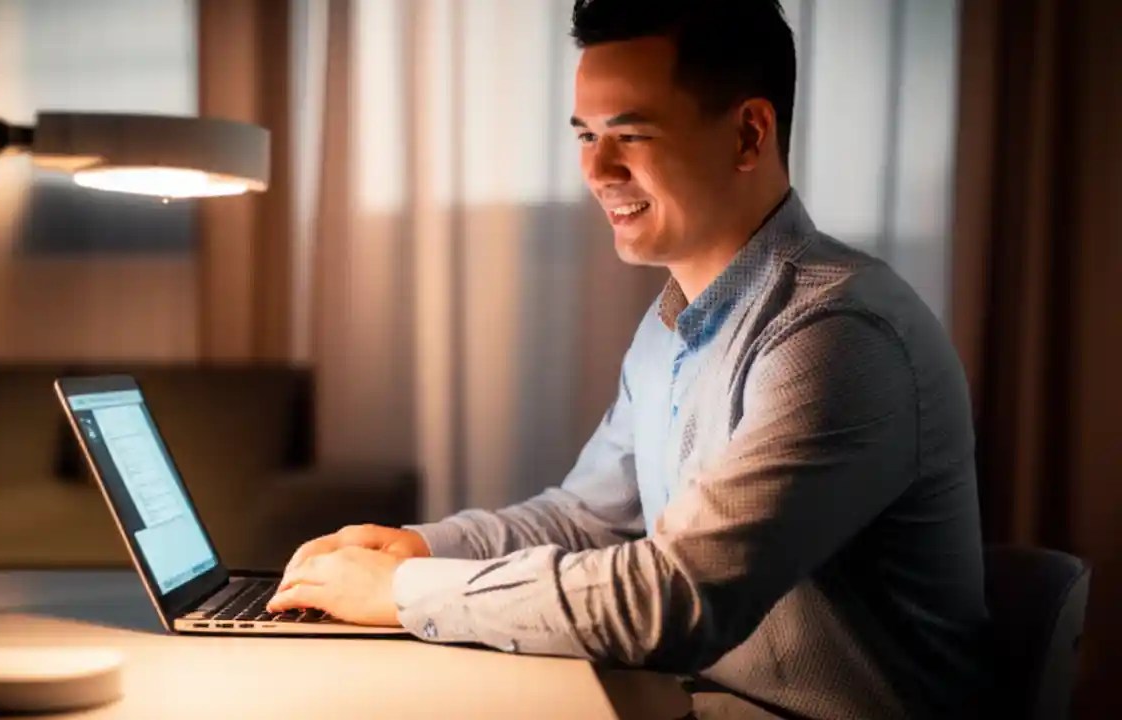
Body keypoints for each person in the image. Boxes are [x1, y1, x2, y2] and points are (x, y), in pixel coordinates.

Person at [268, 1, 988, 717]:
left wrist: (400, 597)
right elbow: (588, 518)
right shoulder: (672, 324)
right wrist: (416, 551)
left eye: (630, 134)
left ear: (748, 133)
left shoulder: (838, 334)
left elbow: (679, 599)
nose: (597, 169)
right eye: (585, 135)